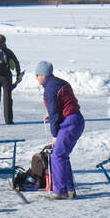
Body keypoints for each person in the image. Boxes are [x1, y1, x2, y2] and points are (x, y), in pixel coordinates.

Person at [34, 61, 83, 199]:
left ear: (43, 75)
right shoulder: (60, 83)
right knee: (62, 155)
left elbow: (55, 112)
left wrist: (54, 135)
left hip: (70, 122)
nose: (36, 77)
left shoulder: (49, 88)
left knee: (57, 156)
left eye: (37, 75)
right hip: (76, 119)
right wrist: (52, 113)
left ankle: (60, 191)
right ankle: (69, 190)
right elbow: (65, 102)